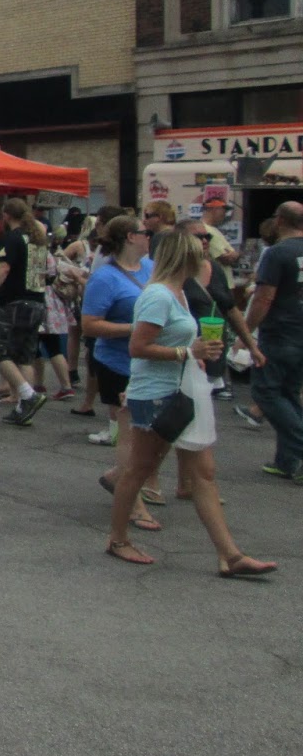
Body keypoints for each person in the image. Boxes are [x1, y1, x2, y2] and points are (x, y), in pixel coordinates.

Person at [103, 227, 277, 577]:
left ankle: (230, 555)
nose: (205, 254)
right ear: (185, 256)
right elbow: (138, 347)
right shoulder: (159, 296)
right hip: (155, 395)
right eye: (200, 249)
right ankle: (118, 539)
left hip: (178, 391)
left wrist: (192, 356)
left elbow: (167, 341)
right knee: (138, 469)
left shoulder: (179, 294)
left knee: (203, 473)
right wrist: (187, 351)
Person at [84, 215, 161, 534]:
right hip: (118, 363)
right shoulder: (104, 278)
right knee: (131, 433)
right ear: (130, 237)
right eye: (146, 233)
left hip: (151, 362)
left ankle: (120, 477)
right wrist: (134, 329)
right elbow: (90, 324)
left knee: (155, 433)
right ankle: (132, 502)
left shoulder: (151, 267)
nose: (150, 237)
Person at [0, 198, 51, 427]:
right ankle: (24, 404)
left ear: (7, 215)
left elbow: (4, 268)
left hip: (17, 302)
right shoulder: (37, 241)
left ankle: (28, 395)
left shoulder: (14, 239)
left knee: (0, 349)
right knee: (24, 354)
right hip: (37, 301)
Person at [246, 200, 303, 481]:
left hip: (280, 332)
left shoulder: (277, 253)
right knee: (290, 393)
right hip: (299, 330)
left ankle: (298, 450)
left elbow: (264, 297)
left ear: (279, 221)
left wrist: (246, 331)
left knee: (266, 392)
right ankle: (287, 461)